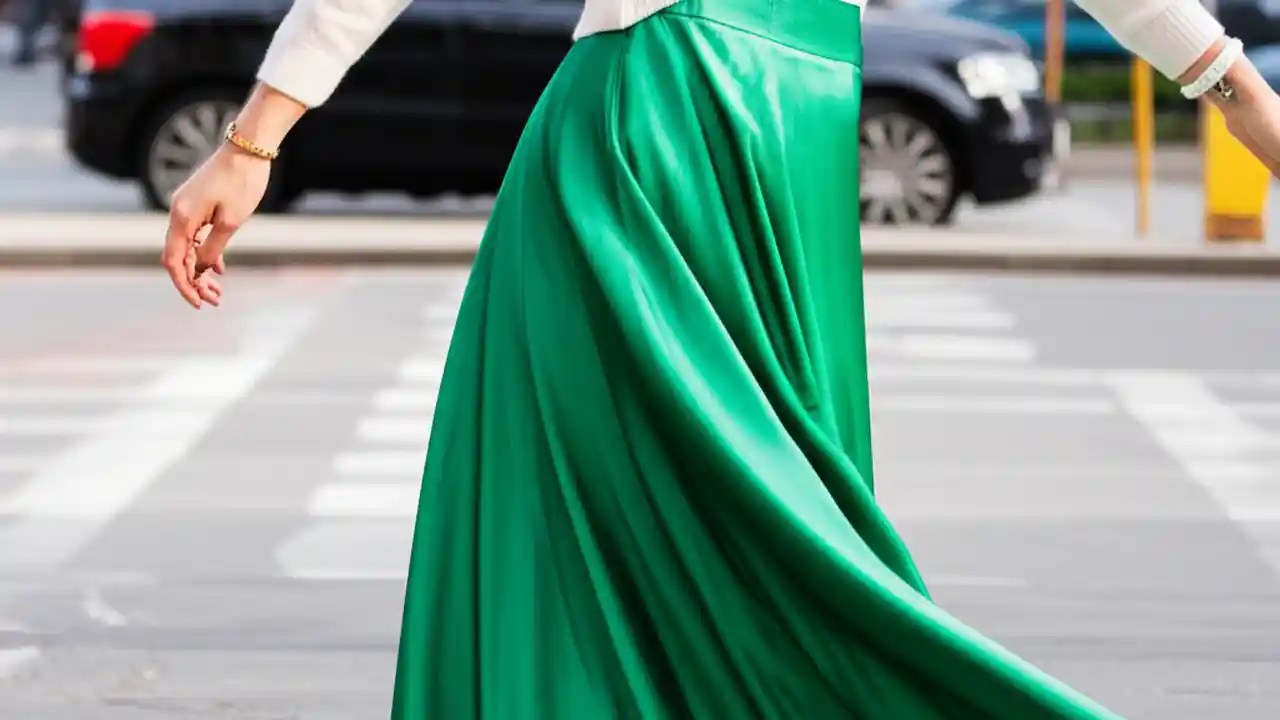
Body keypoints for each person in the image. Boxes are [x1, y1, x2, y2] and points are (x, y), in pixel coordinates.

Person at [161, 0, 1280, 716]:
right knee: (763, 530)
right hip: (784, 113)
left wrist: (256, 136)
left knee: (606, 526)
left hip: (663, 107)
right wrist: (1233, 88)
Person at [9, 0, 50, 67]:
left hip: (32, 11)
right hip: (29, 12)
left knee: (28, 32)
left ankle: (28, 54)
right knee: (27, 32)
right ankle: (27, 53)